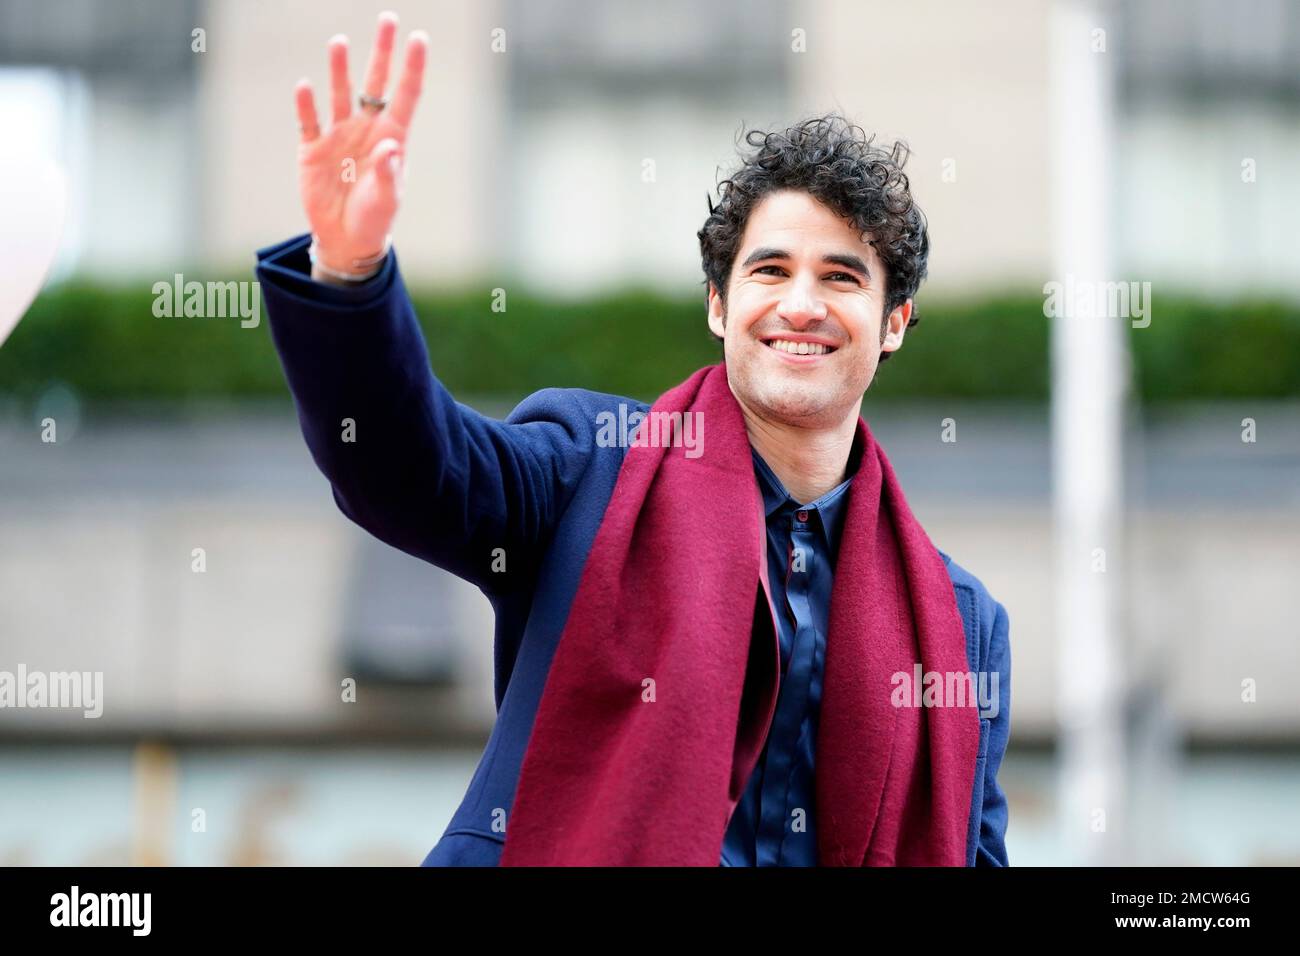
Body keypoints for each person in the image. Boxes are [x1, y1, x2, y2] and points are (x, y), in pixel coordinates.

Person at [255, 11, 1011, 867]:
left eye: (842, 277)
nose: (801, 304)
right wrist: (349, 272)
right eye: (770, 271)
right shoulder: (589, 469)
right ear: (719, 306)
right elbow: (404, 468)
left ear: (894, 323)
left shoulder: (963, 625)